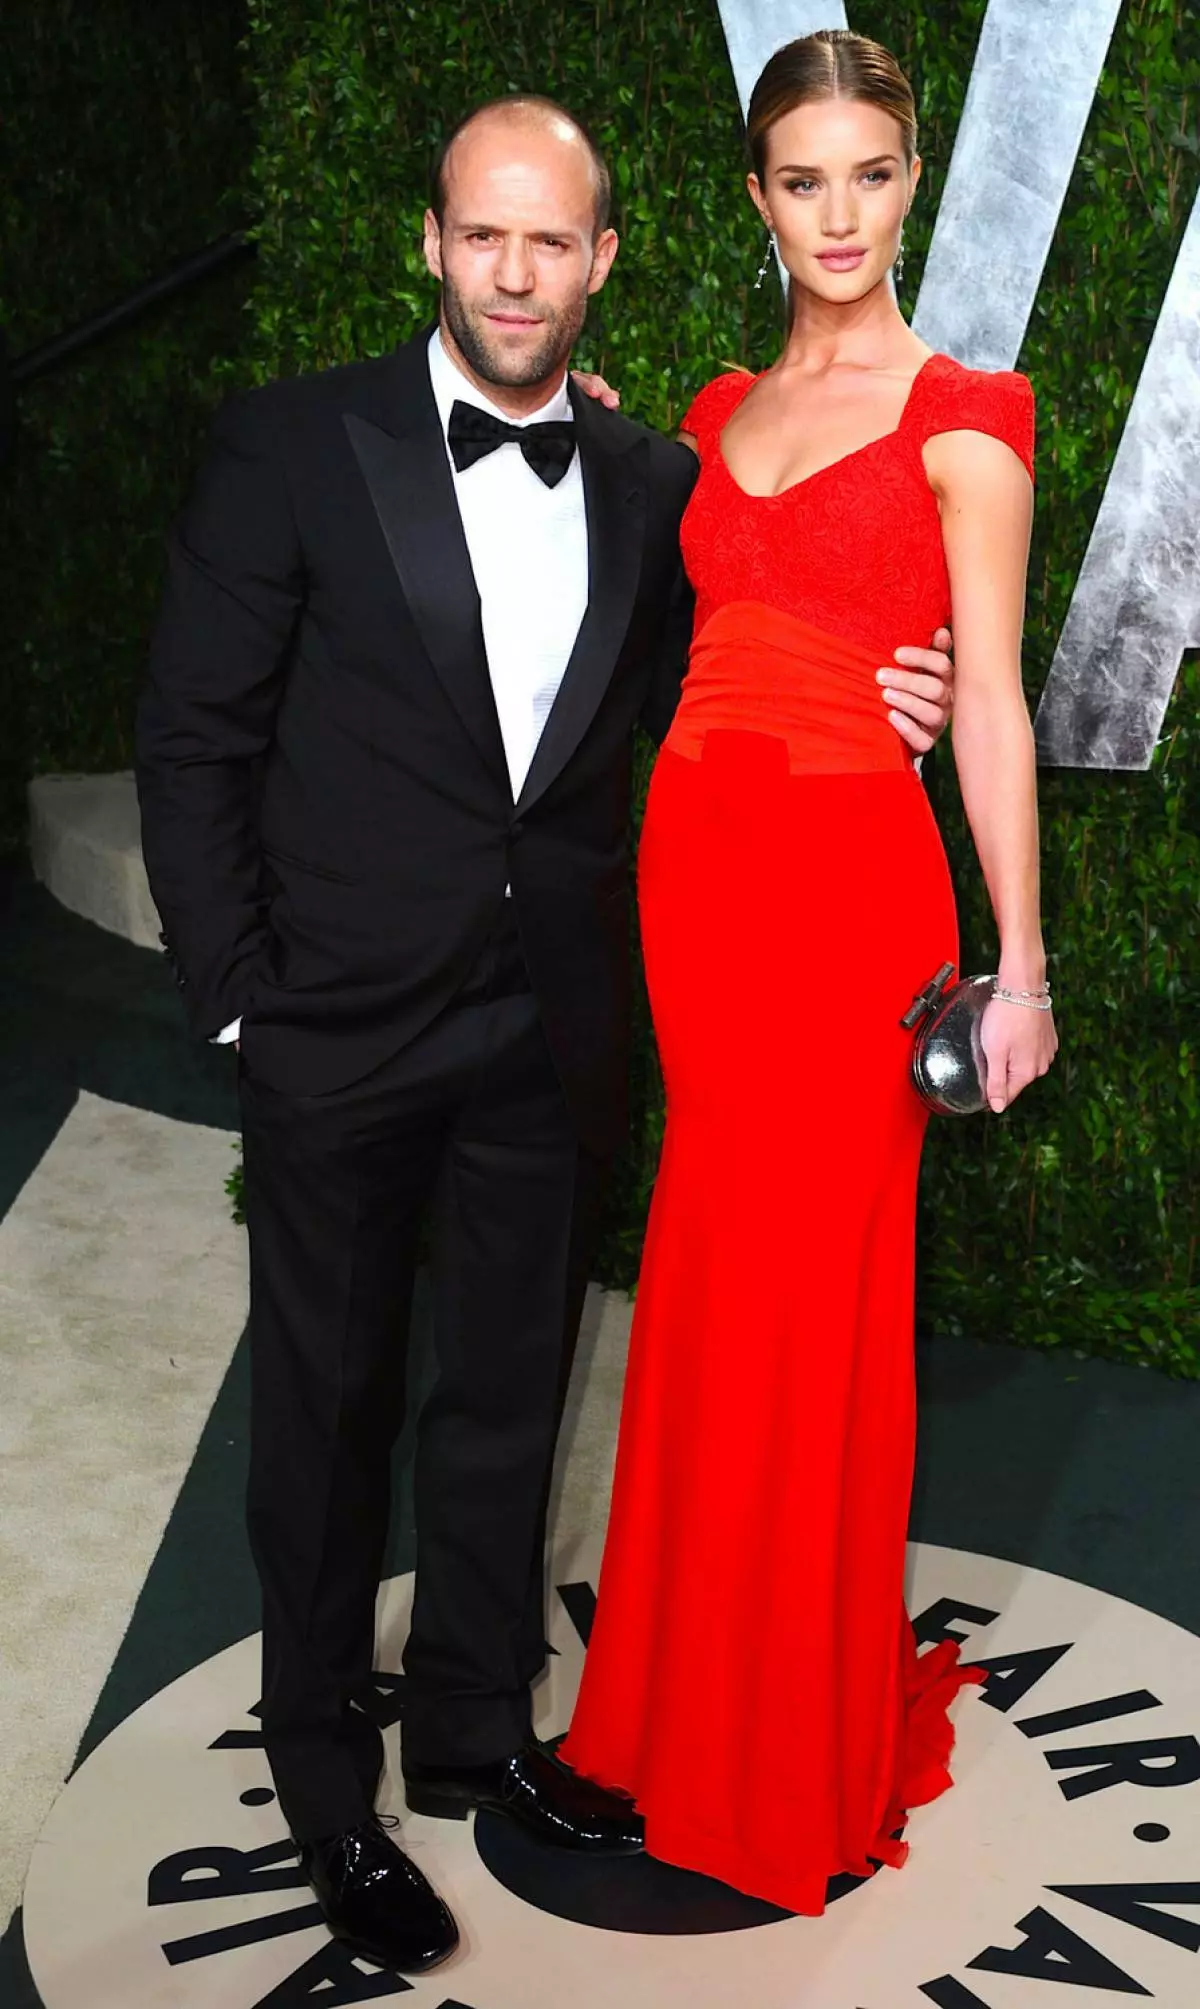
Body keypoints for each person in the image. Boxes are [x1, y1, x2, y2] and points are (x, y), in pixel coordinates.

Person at [135, 91, 956, 1973]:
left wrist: (901, 674)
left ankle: (477, 1730)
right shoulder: (292, 445)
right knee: (326, 1420)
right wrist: (240, 995)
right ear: (433, 243)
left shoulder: (659, 483)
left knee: (507, 1402)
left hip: (543, 1034)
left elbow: (764, 649)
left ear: (602, 262)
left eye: (552, 241)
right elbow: (194, 741)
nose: (515, 272)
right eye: (480, 235)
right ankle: (328, 1790)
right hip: (331, 1027)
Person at [559, 30, 1058, 1916]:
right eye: (799, 181)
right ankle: (670, 1717)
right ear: (759, 196)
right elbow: (669, 604)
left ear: (909, 179)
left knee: (813, 1291)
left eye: (866, 174)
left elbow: (987, 698)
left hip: (854, 893)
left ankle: (789, 1745)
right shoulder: (704, 406)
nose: (835, 215)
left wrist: (1020, 967)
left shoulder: (971, 411)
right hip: (695, 874)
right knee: (703, 1264)